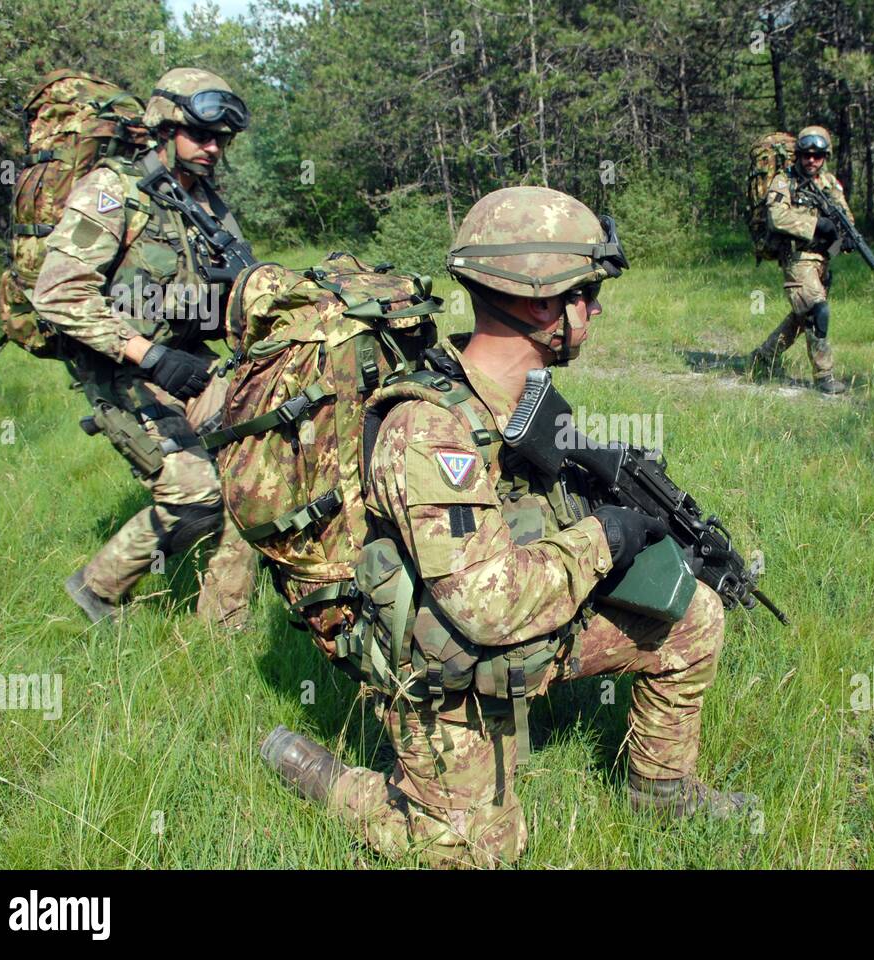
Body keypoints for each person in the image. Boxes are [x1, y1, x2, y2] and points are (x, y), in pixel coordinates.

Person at [261, 186, 748, 867]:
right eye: (586, 293)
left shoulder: (518, 398)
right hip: (446, 657)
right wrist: (606, 536)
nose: (596, 309)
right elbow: (486, 608)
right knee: (473, 851)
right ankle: (319, 774)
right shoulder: (429, 432)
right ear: (542, 303)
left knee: (691, 616)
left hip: (523, 625)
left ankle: (660, 792)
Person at [31, 68, 257, 629]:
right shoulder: (115, 190)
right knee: (197, 495)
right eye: (202, 135)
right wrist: (146, 355)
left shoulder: (203, 202)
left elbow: (237, 288)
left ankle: (223, 632)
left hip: (188, 364)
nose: (213, 149)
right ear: (164, 126)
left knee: (258, 467)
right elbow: (57, 295)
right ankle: (96, 590)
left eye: (221, 140)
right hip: (122, 369)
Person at [749, 125, 855, 394]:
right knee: (817, 312)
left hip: (822, 260)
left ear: (825, 156)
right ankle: (824, 375)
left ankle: (763, 357)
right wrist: (816, 224)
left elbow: (845, 218)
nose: (811, 160)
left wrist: (846, 236)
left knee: (801, 318)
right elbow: (777, 217)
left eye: (817, 156)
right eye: (806, 155)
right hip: (797, 258)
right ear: (798, 155)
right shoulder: (785, 181)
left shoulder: (830, 184)